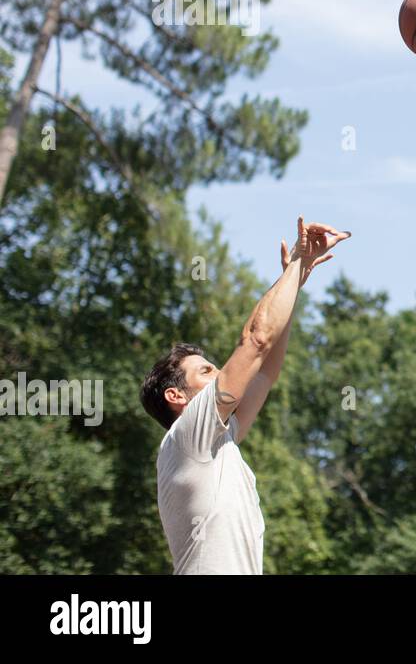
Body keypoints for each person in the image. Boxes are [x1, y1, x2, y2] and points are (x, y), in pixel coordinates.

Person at [139, 217, 350, 574]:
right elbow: (257, 339)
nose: (220, 374)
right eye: (206, 371)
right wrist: (296, 263)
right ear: (176, 396)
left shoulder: (217, 441)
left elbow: (265, 372)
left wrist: (295, 279)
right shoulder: (188, 437)